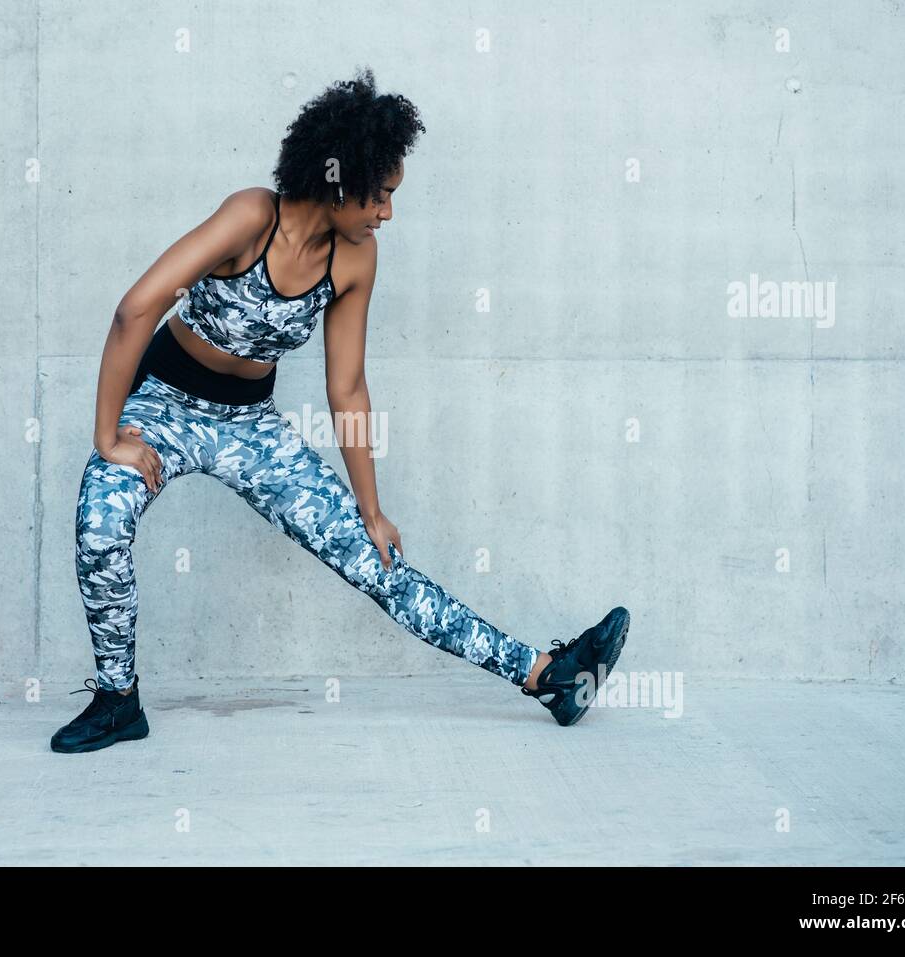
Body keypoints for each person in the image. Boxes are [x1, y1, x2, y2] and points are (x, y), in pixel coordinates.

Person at [52, 68, 629, 753]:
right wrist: (108, 435)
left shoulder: (356, 258)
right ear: (339, 178)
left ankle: (547, 675)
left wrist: (372, 507)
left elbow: (347, 386)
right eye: (380, 194)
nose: (386, 211)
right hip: (162, 405)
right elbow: (135, 309)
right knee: (99, 524)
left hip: (248, 427)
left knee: (374, 558)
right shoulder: (250, 216)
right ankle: (117, 699)